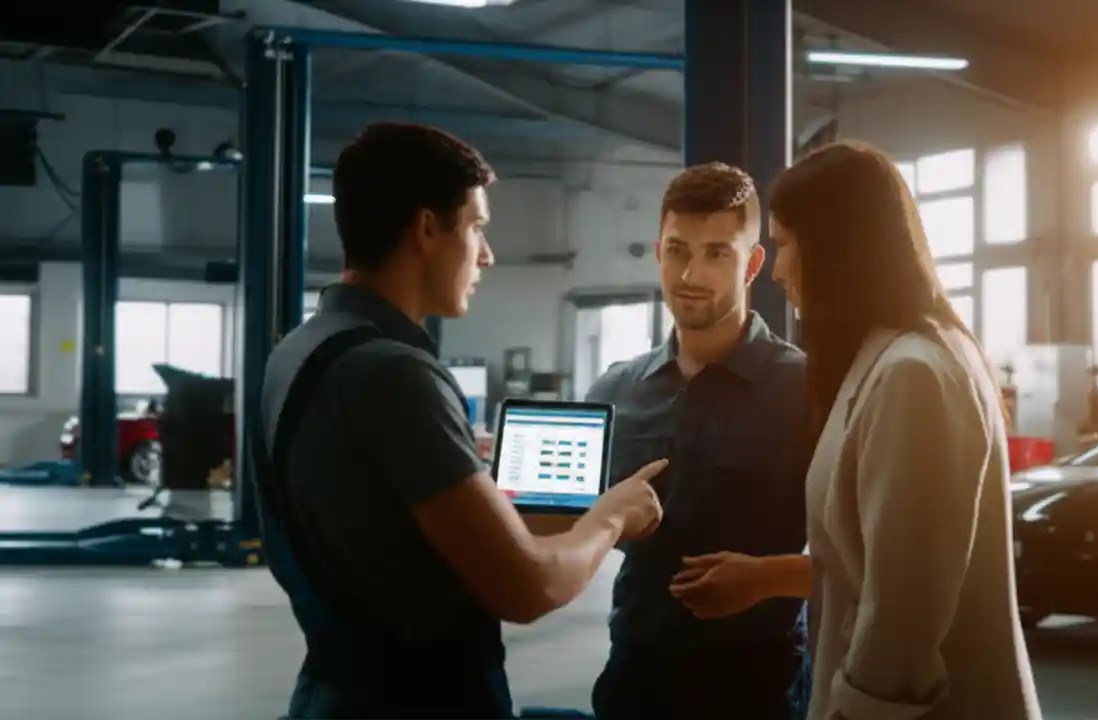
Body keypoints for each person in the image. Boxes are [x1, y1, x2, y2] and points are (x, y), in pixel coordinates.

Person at [255, 122, 666, 719]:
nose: (488, 254)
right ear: (427, 229)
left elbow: (384, 531)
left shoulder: (296, 352)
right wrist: (611, 516)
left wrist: (498, 508)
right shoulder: (397, 374)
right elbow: (529, 588)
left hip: (331, 693)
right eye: (476, 227)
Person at [671, 141, 1042, 720]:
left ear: (841, 247)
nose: (783, 268)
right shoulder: (891, 360)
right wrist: (769, 576)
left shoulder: (911, 375)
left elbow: (901, 618)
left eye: (789, 244)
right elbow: (876, 562)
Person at [586, 163, 811, 720]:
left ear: (753, 263)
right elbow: (570, 525)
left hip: (756, 684)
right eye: (677, 250)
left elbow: (863, 557)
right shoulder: (615, 389)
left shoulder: (807, 388)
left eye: (717, 253)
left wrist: (765, 579)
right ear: (658, 251)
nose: (691, 272)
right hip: (635, 677)